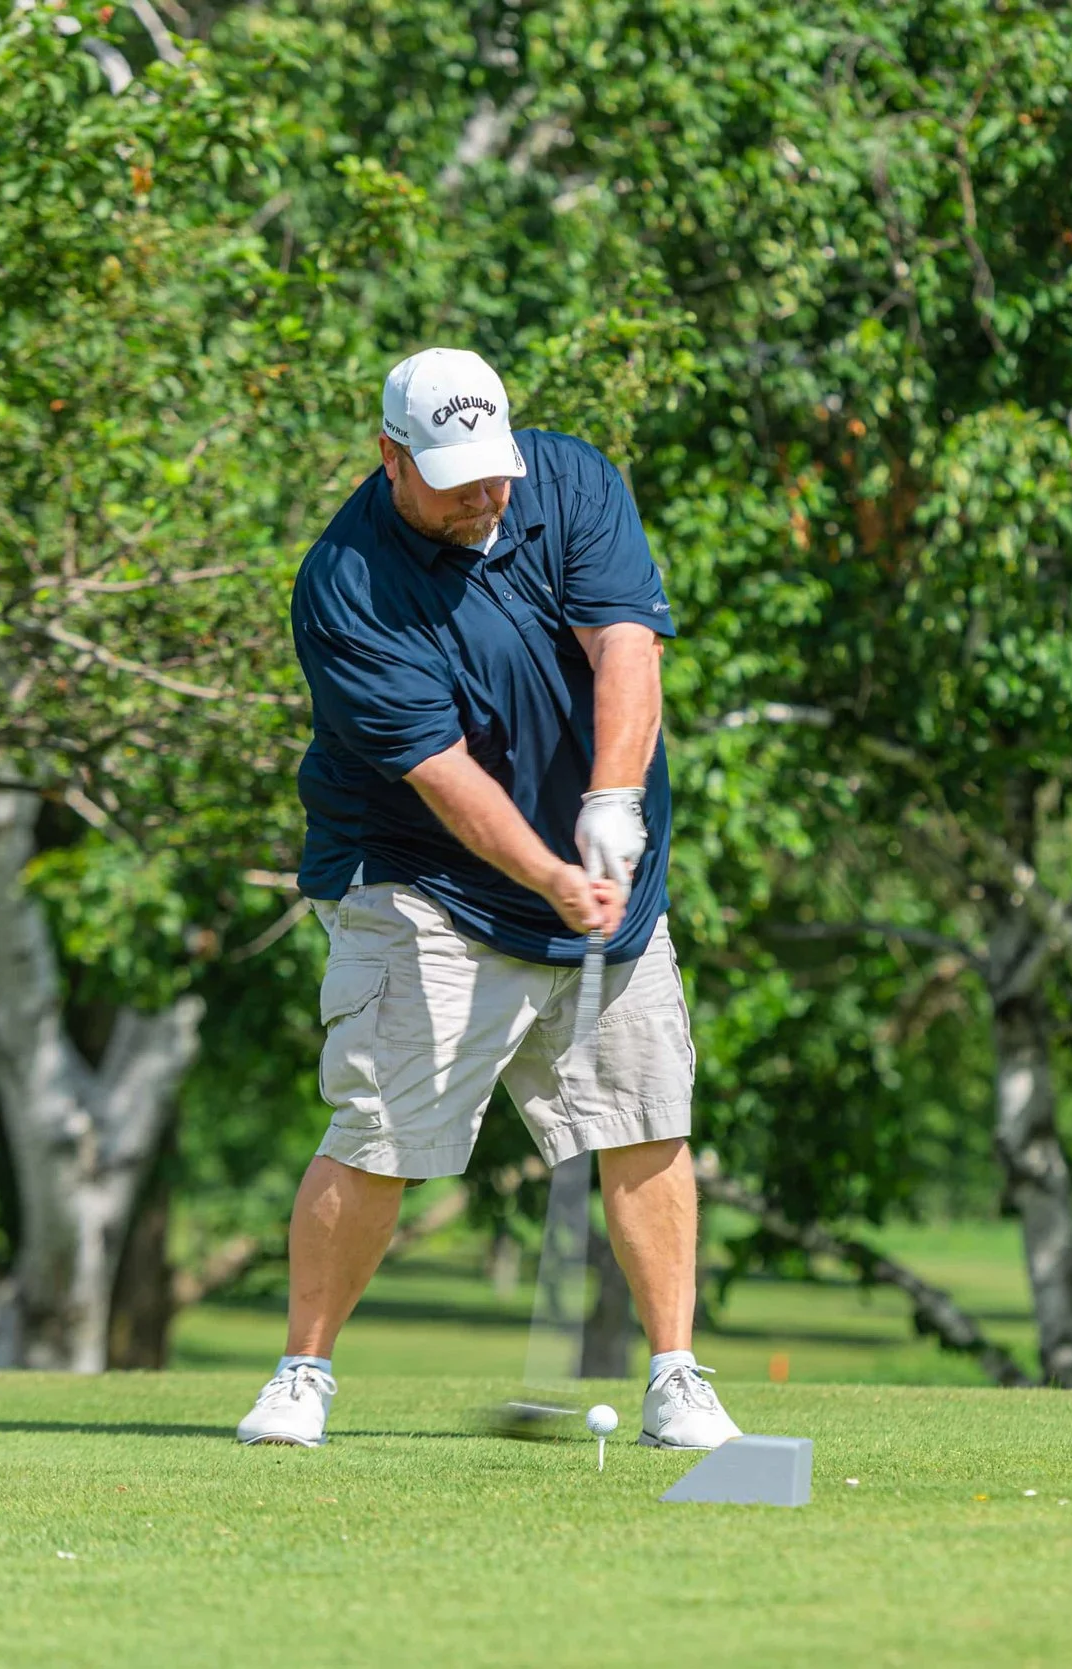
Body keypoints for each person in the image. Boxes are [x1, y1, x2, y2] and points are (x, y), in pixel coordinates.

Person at [235, 348, 738, 1452]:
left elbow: (625, 645)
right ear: (391, 458)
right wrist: (553, 875)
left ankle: (677, 1379)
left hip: (609, 869)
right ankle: (302, 1372)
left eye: (495, 469)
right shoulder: (347, 585)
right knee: (381, 1128)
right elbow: (443, 775)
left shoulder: (571, 480)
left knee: (647, 1115)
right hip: (424, 879)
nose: (486, 496)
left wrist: (613, 800)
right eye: (456, 480)